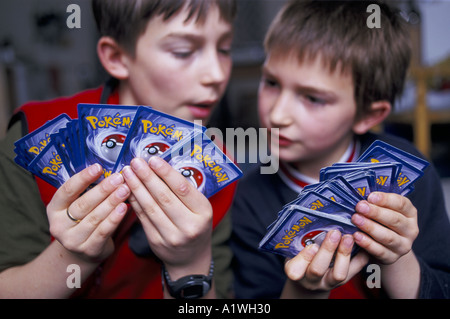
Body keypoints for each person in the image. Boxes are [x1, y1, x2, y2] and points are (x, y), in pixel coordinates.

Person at [0, 0, 237, 299]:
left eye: (225, 49)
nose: (216, 74)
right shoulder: (34, 133)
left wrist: (189, 265)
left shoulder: (218, 165)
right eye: (183, 52)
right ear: (116, 58)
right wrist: (76, 256)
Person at [230, 0, 450, 299]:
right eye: (271, 82)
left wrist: (396, 257)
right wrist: (303, 290)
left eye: (313, 98)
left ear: (368, 116)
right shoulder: (248, 199)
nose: (278, 114)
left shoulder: (407, 171)